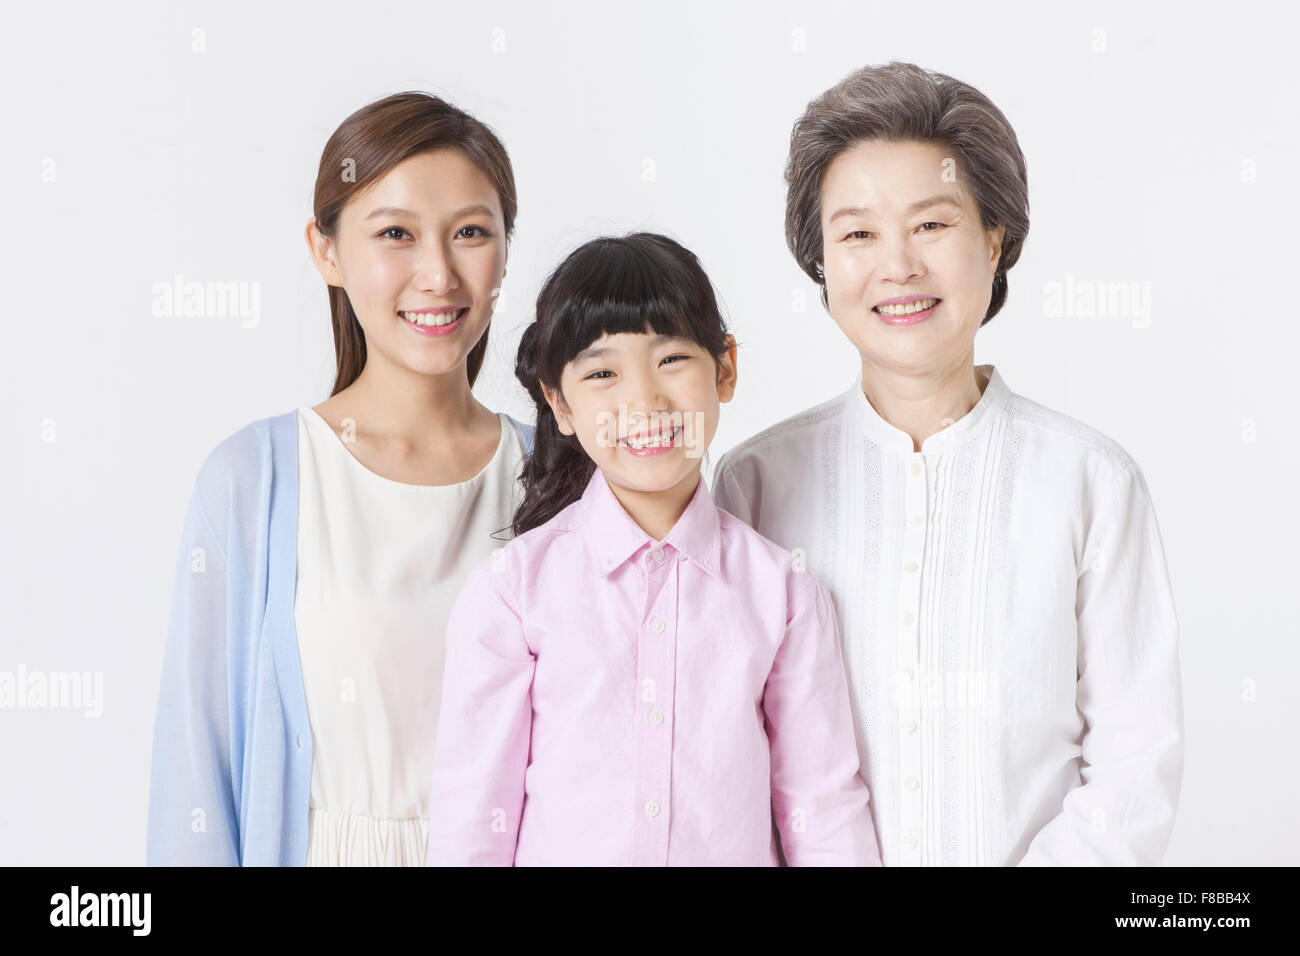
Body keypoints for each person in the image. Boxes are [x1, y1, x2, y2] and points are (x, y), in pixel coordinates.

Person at [713, 61, 1183, 865]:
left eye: (931, 224)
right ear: (821, 263)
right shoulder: (753, 486)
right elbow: (727, 753)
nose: (896, 266)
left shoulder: (1092, 484)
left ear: (994, 240)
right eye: (857, 233)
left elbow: (1135, 770)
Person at [146, 92, 534, 865]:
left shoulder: (560, 477)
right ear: (326, 251)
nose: (438, 273)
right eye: (395, 233)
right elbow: (196, 772)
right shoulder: (253, 482)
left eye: (470, 233)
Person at [425, 233, 881, 866]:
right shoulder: (513, 592)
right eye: (603, 373)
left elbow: (823, 810)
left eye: (671, 360)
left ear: (725, 369)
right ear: (559, 402)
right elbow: (472, 823)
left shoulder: (784, 594)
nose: (643, 400)